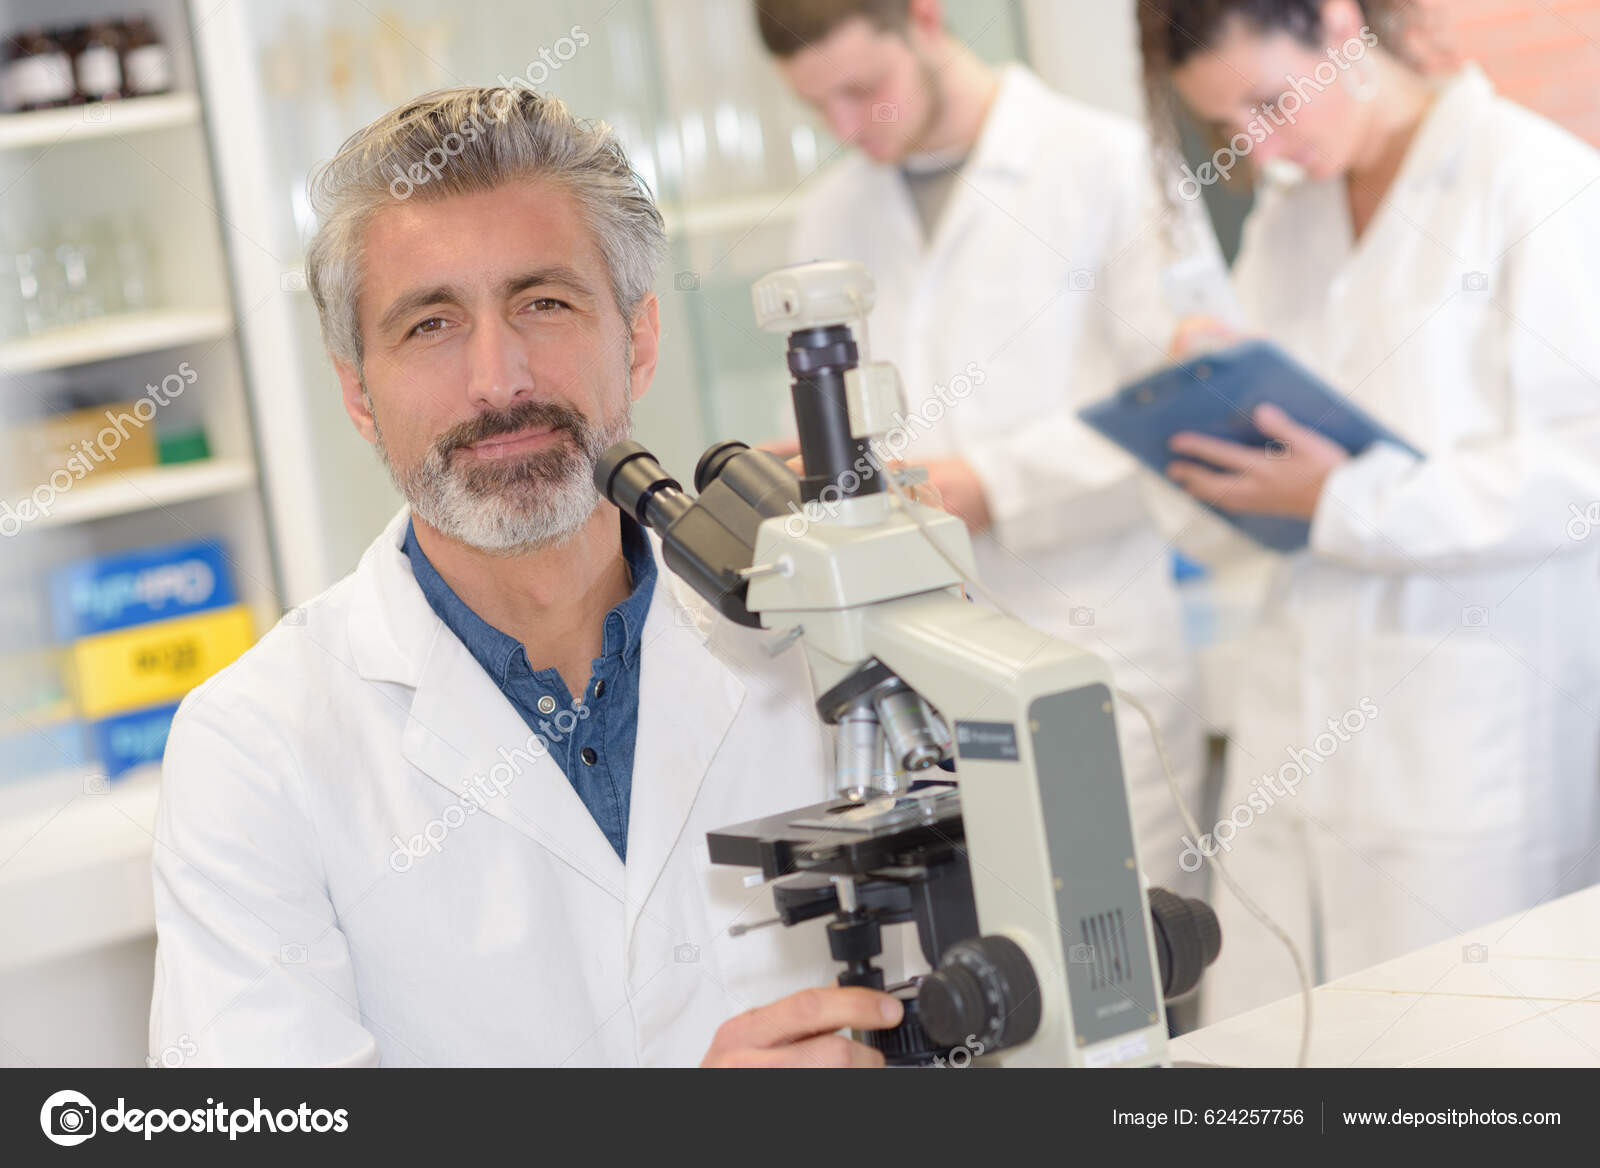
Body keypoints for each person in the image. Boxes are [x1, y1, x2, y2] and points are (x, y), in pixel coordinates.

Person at [147, 87, 909, 1067]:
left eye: (542, 303)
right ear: (358, 394)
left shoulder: (823, 623)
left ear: (636, 338)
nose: (497, 379)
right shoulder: (253, 749)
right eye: (429, 324)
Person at [1139, 0, 1600, 1021]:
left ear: (1337, 22)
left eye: (1267, 102)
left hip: (1467, 743)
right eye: (1230, 128)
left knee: (1463, 1060)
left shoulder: (1534, 182)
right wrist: (1203, 405)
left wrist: (1348, 500)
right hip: (1298, 735)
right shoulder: (1292, 214)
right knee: (1282, 1046)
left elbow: (1581, 471)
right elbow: (1267, 458)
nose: (1260, 144)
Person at [755, 0, 1220, 896]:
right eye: (822, 109)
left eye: (863, 90)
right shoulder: (831, 215)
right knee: (969, 977)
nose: (848, 128)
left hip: (1089, 650)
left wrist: (975, 484)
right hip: (912, 680)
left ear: (924, 20)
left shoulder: (1109, 166)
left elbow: (1182, 418)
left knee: (1108, 963)